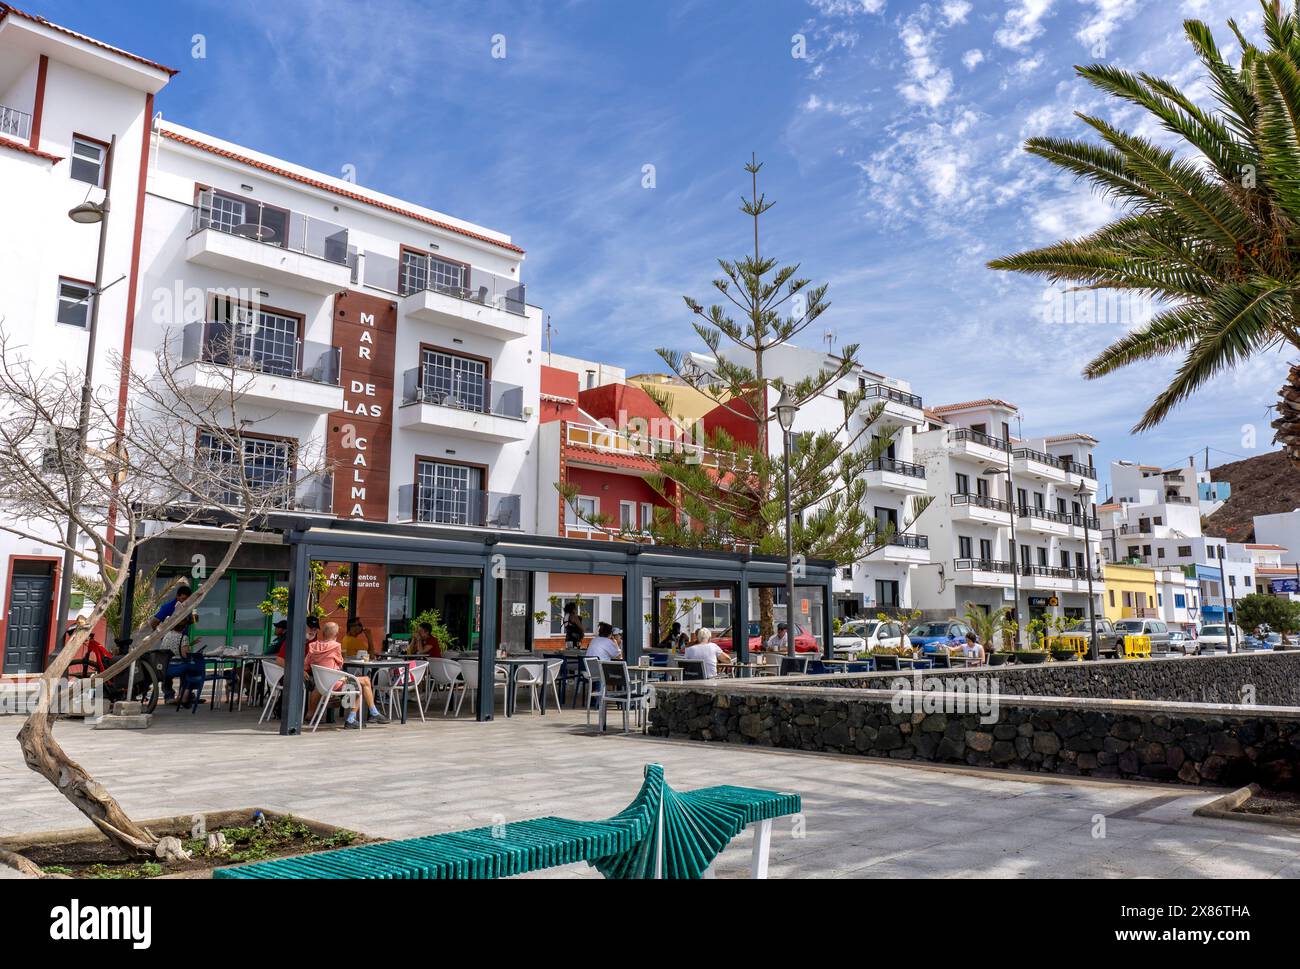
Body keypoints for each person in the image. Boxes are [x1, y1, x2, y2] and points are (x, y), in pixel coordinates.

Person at [304, 621, 388, 728]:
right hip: (335, 684)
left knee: (356, 682)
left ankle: (311, 714)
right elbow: (340, 664)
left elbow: (305, 665)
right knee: (364, 681)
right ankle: (361, 716)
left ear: (323, 633)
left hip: (321, 685)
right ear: (336, 634)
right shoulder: (335, 646)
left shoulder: (312, 646)